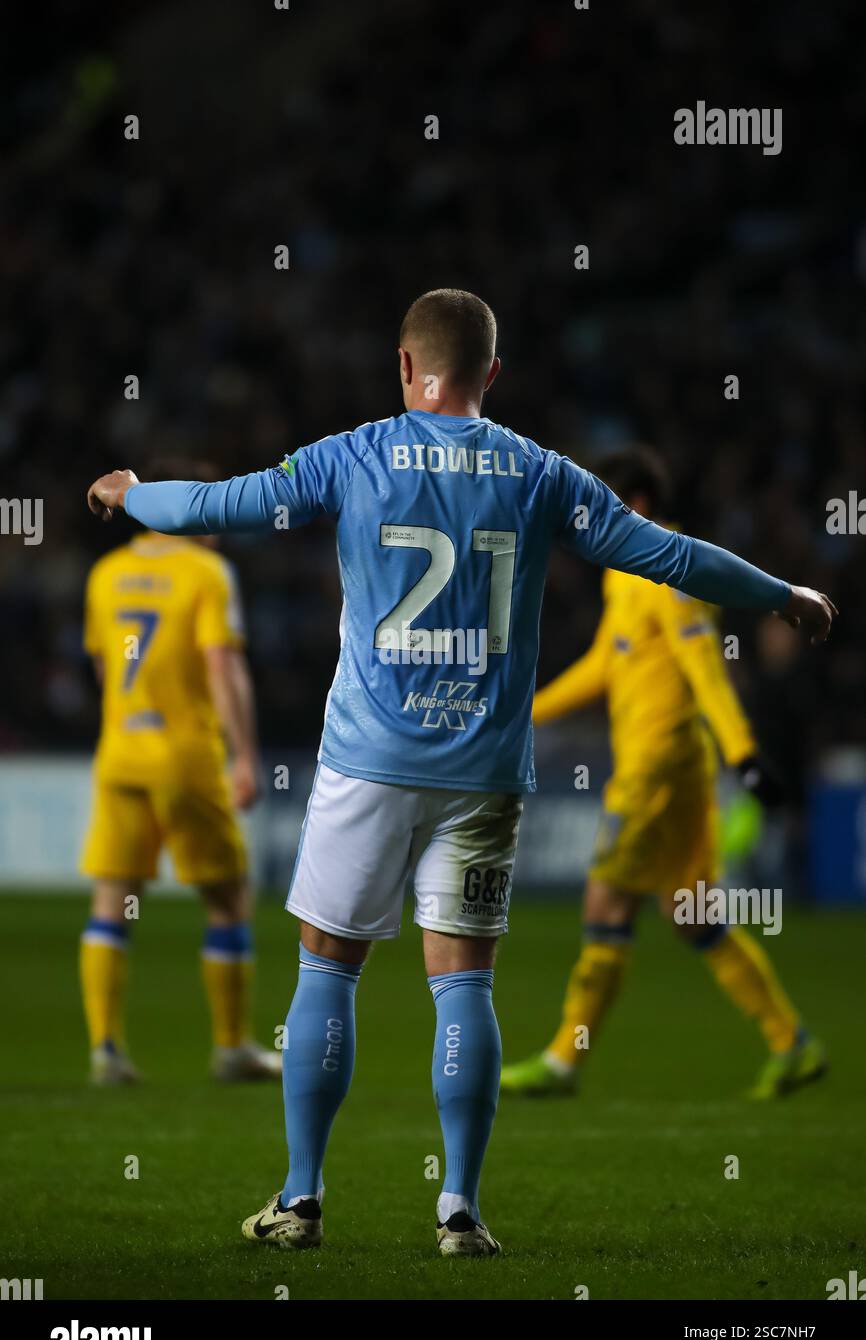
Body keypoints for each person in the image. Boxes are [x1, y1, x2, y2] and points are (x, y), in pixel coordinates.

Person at [85, 289, 835, 1256]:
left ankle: (302, 1198)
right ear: (492, 376)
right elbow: (670, 555)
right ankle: (462, 1211)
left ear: (405, 367)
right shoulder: (539, 471)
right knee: (464, 985)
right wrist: (784, 594)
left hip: (368, 764)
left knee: (327, 965)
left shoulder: (352, 454)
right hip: (484, 773)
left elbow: (215, 506)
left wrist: (128, 492)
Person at [500, 445, 826, 1103]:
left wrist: (745, 755)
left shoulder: (665, 567)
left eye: (602, 508)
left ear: (635, 505)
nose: (587, 523)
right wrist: (526, 713)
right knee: (693, 913)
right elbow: (604, 663)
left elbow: (700, 659)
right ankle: (791, 1042)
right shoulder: (627, 573)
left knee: (606, 902)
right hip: (680, 770)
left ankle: (565, 1059)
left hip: (657, 768)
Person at [80, 460, 280, 1085]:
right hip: (185, 757)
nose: (217, 526)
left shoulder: (107, 572)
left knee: (113, 898)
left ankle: (106, 1049)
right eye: (209, 508)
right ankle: (230, 1046)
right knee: (227, 899)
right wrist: (246, 755)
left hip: (119, 752)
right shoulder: (206, 574)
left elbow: (103, 670)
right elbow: (223, 668)